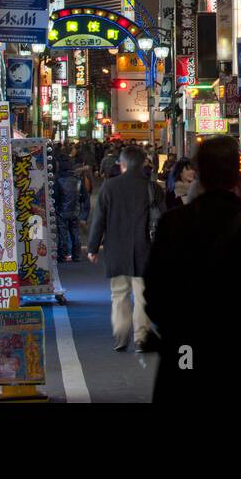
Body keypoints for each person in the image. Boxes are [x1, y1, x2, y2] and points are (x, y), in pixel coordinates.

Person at [143, 136, 241, 402]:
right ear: (236, 174)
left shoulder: (173, 224)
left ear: (200, 173)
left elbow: (155, 289)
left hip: (186, 348)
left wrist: (173, 331)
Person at [87, 146, 164, 352]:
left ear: (122, 165)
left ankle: (121, 336)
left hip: (116, 249)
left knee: (119, 295)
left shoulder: (109, 187)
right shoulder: (152, 188)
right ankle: (141, 338)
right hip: (145, 250)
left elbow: (99, 220)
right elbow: (163, 221)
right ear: (143, 164)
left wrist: (92, 247)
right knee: (142, 296)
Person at [53, 155, 84, 263]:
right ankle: (77, 255)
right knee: (75, 233)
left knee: (63, 233)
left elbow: (55, 197)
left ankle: (63, 255)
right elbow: (83, 196)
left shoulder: (58, 180)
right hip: (75, 210)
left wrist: (56, 207)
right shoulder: (78, 180)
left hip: (62, 210)